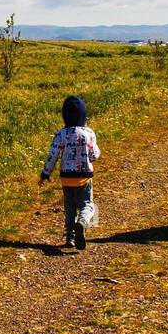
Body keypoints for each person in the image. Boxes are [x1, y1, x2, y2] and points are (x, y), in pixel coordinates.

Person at [39, 95, 100, 250]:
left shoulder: (61, 134)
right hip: (84, 177)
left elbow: (52, 155)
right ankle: (83, 222)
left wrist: (46, 173)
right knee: (88, 205)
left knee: (70, 209)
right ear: (84, 116)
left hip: (66, 178)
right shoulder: (89, 133)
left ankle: (70, 238)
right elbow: (94, 155)